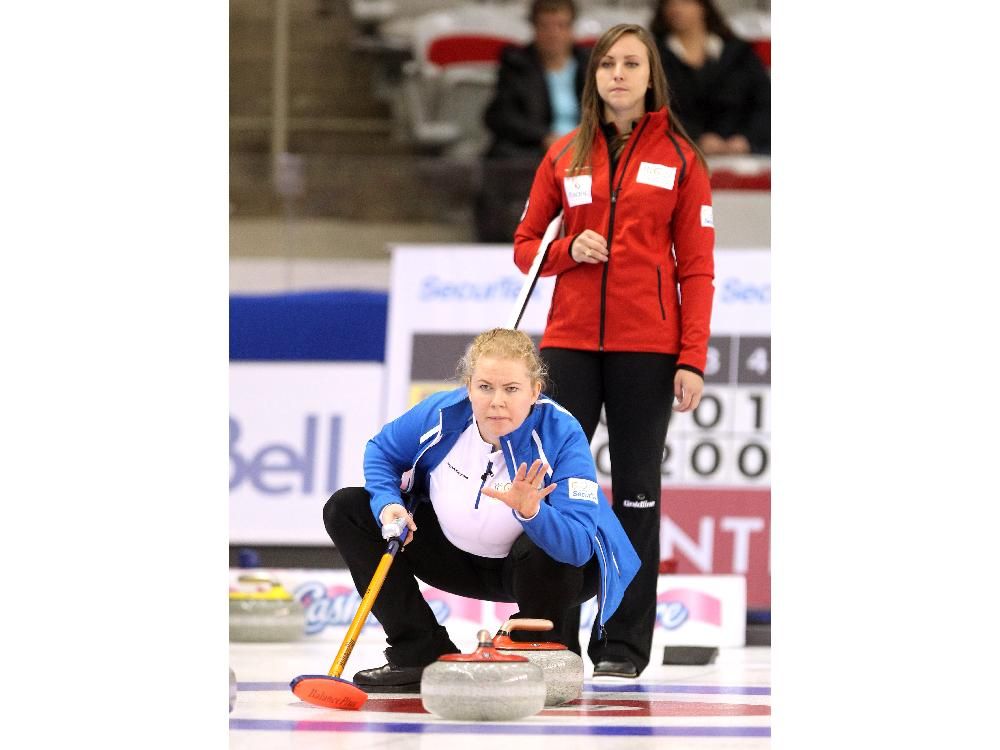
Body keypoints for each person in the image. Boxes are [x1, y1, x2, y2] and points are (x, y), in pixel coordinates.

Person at [513, 23, 715, 679]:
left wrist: (691, 358)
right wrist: (567, 249)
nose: (618, 74)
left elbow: (697, 270)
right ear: (593, 76)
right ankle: (552, 638)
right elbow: (524, 247)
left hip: (647, 350)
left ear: (652, 76)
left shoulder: (682, 159)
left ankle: (623, 646)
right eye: (607, 64)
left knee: (636, 496)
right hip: (569, 343)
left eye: (631, 63)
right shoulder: (563, 154)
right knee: (556, 491)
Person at [323, 328, 640, 693]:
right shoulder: (441, 413)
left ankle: (531, 651)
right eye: (485, 387)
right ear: (469, 387)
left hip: (537, 571)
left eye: (511, 389)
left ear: (535, 391)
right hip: (453, 558)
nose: (496, 402)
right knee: (347, 509)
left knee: (546, 547)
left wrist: (534, 514)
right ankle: (419, 652)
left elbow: (579, 548)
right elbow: (381, 451)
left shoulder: (562, 433)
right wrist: (389, 504)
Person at [476, 0, 591, 242]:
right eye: (545, 26)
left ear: (572, 28)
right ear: (534, 28)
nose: (553, 33)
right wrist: (544, 137)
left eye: (561, 25)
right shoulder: (516, 62)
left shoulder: (589, 63)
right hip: (534, 149)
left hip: (585, 147)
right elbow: (499, 114)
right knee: (502, 161)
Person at [650, 0, 770, 155]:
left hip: (747, 153)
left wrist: (747, 138)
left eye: (685, 2)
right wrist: (695, 137)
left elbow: (765, 102)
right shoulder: (653, 55)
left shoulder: (739, 52)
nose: (676, 9)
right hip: (678, 153)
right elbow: (653, 107)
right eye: (669, 3)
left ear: (704, 7)